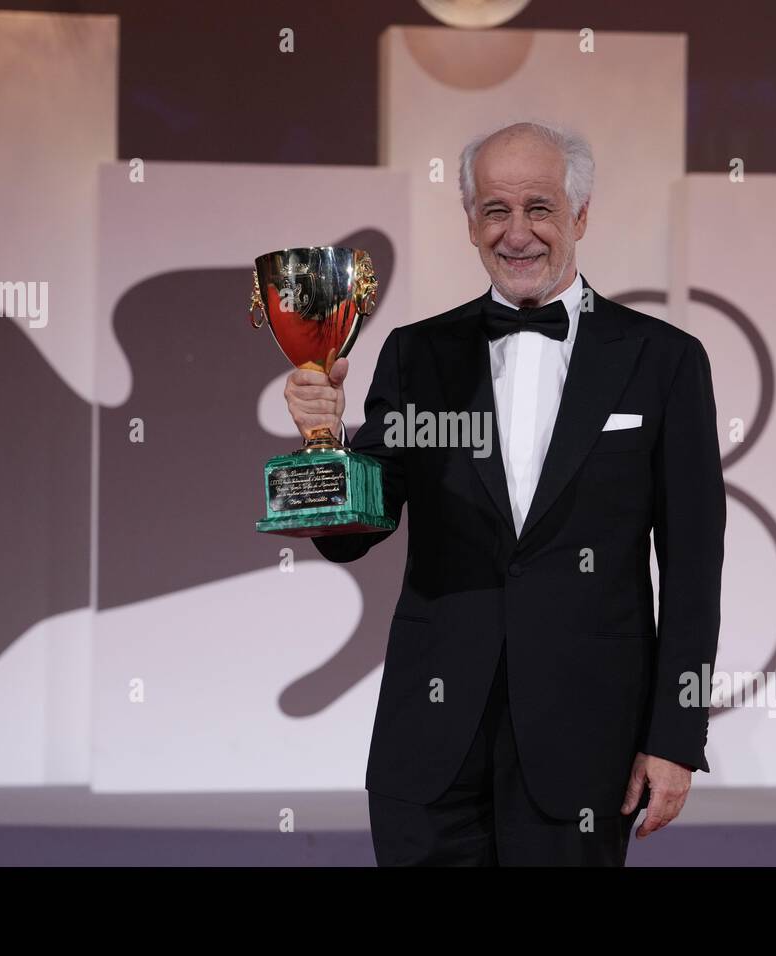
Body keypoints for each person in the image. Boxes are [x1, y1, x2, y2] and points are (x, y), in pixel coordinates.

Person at [283, 120, 726, 866]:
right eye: (495, 209)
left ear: (580, 216)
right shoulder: (415, 354)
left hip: (588, 744)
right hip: (429, 747)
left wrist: (677, 736)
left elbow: (693, 570)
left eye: (539, 208)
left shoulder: (664, 362)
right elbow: (353, 534)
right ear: (469, 222)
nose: (516, 232)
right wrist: (319, 444)